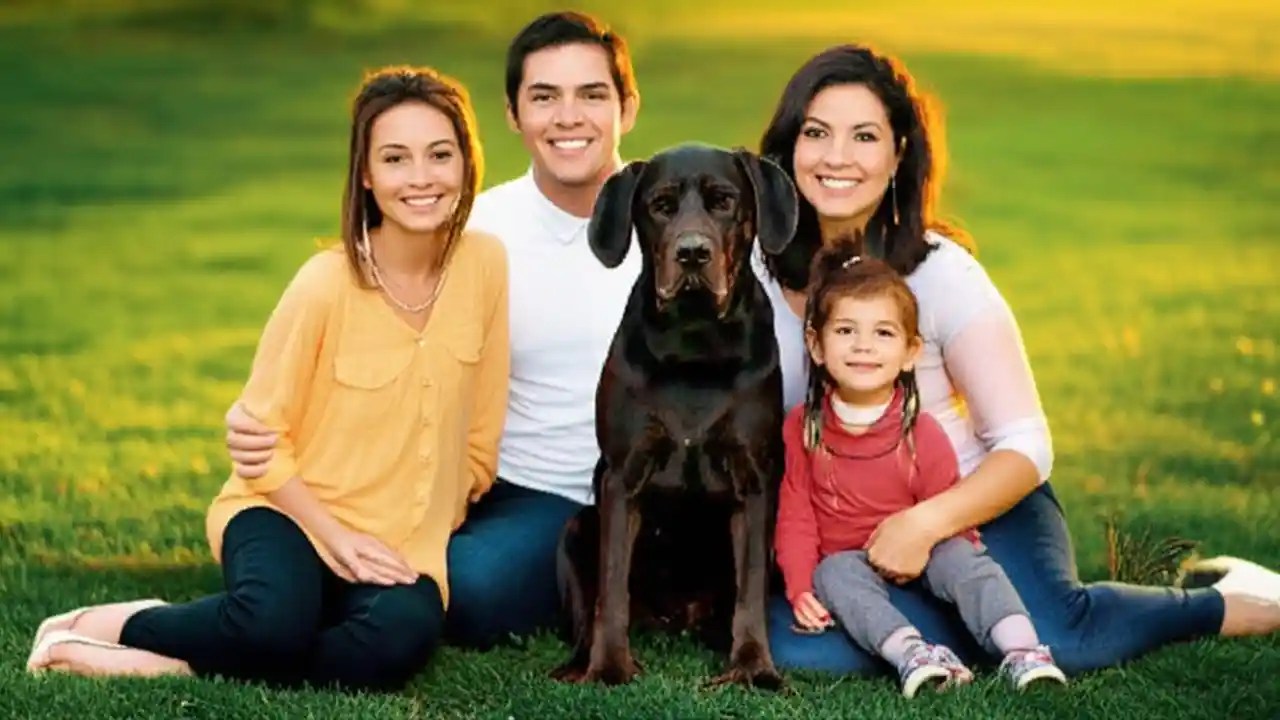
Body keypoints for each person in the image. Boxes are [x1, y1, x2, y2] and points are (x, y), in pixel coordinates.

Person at [755, 43, 1280, 676]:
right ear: (788, 148)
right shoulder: (752, 271)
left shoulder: (941, 273)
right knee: (798, 648)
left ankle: (1222, 599)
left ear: (898, 155)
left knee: (1064, 636)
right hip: (843, 525)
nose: (836, 157)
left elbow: (1026, 444)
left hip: (972, 502)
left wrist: (924, 525)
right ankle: (974, 618)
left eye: (864, 136)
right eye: (817, 132)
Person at [26, 66, 510, 691]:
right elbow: (261, 446)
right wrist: (335, 538)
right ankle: (115, 625)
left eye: (439, 154)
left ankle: (177, 663)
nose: (420, 177)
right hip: (286, 513)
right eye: (396, 158)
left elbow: (481, 427)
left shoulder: (485, 265)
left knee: (398, 644)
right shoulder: (323, 285)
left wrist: (433, 515)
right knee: (269, 624)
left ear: (467, 163)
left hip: (402, 544)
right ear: (366, 174)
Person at [224, 11, 644, 649]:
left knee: (445, 594)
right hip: (517, 486)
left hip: (632, 487)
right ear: (512, 114)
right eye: (543, 97)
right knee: (464, 590)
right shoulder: (475, 229)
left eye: (591, 94)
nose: (568, 117)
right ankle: (293, 589)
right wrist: (261, 428)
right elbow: (380, 322)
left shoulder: (676, 217)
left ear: (627, 106)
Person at [776, 248, 1067, 697]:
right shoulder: (802, 427)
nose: (863, 345)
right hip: (851, 559)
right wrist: (798, 586)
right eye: (846, 330)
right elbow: (796, 513)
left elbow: (945, 506)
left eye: (884, 332)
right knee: (833, 574)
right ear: (816, 344)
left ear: (911, 351)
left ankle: (1023, 651)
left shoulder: (921, 432)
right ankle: (912, 653)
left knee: (963, 557)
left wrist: (955, 559)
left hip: (924, 548)